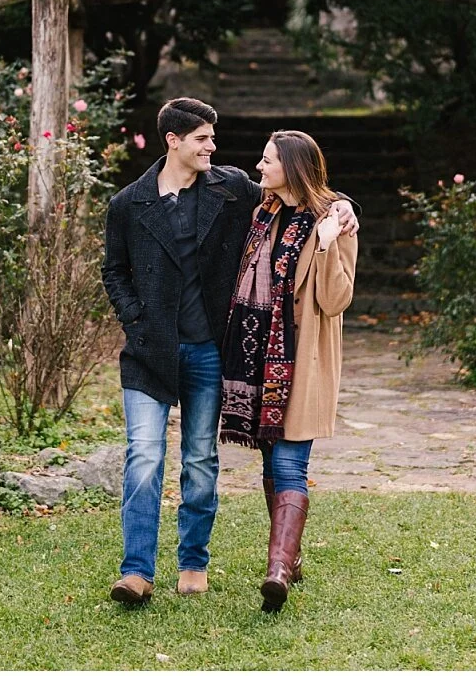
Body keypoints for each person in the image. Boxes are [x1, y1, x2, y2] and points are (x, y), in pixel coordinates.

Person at [100, 99, 359, 605]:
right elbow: (115, 269)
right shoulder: (128, 204)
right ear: (173, 140)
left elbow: (307, 191)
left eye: (213, 139)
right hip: (149, 352)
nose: (213, 147)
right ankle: (136, 572)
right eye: (202, 139)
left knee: (199, 460)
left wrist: (346, 204)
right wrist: (134, 316)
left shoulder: (232, 188)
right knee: (144, 459)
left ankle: (193, 562)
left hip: (209, 352)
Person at [219, 130, 357, 613]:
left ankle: (277, 568)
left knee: (288, 463)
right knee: (268, 460)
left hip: (304, 361)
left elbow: (336, 299)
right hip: (257, 360)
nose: (260, 167)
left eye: (268, 160)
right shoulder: (261, 213)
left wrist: (325, 244)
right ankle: (289, 559)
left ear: (293, 167)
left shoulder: (334, 224)